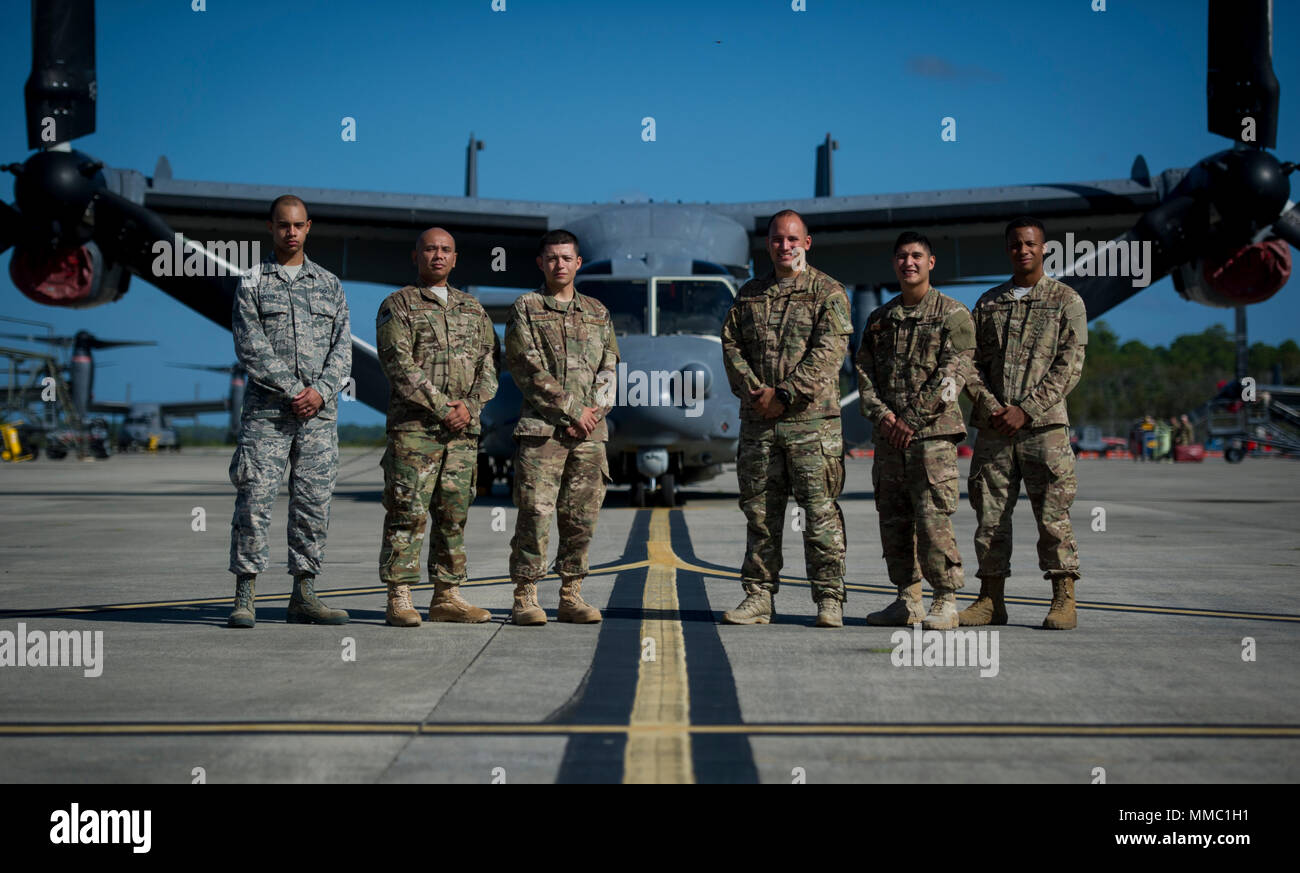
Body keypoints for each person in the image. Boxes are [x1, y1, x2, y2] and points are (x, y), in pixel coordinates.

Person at [719, 210, 852, 628]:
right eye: (778, 239)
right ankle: (759, 596)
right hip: (760, 424)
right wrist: (756, 391)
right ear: (769, 244)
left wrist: (786, 394)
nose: (785, 246)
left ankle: (829, 598)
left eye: (793, 239)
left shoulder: (828, 292)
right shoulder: (749, 294)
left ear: (807, 243)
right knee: (760, 513)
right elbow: (730, 345)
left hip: (812, 426)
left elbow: (828, 354)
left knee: (820, 513)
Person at [227, 195, 351, 628]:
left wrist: (319, 392)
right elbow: (250, 346)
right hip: (267, 415)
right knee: (254, 501)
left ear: (309, 227)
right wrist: (294, 390)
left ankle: (305, 593)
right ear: (271, 228)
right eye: (283, 225)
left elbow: (342, 350)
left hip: (318, 417)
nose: (291, 232)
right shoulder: (252, 283)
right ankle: (245, 594)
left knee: (312, 504)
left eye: (298, 225)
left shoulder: (330, 285)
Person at [962, 216, 1087, 630]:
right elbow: (969, 363)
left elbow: (1070, 365)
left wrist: (1027, 409)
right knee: (990, 517)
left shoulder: (1066, 300)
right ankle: (990, 598)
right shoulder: (988, 303)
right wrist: (992, 405)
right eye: (1016, 244)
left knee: (1053, 515)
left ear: (1045, 248)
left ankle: (1063, 597)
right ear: (1008, 249)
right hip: (995, 430)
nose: (1024, 250)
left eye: (1031, 243)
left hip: (1044, 430)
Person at [375, 227, 498, 627]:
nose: (438, 256)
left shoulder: (474, 309)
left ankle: (447, 595)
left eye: (446, 250)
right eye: (430, 249)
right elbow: (399, 366)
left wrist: (471, 406)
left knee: (453, 513)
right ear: (416, 257)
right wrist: (444, 406)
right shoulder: (398, 305)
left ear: (456, 258)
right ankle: (400, 595)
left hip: (462, 434)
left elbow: (489, 368)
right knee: (407, 512)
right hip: (415, 432)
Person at [856, 231, 975, 629]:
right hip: (890, 438)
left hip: (932, 439)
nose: (909, 262)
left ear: (931, 262)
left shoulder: (953, 314)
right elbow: (864, 374)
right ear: (894, 264)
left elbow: (953, 373)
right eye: (903, 257)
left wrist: (911, 419)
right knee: (893, 518)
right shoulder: (880, 321)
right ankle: (906, 599)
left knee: (932, 519)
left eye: (917, 256)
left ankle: (945, 599)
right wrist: (884, 417)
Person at [504, 230, 618, 626]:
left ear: (578, 263)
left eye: (566, 258)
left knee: (581, 518)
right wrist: (572, 412)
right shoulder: (526, 307)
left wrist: (593, 414)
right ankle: (526, 596)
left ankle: (571, 594)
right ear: (541, 263)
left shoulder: (598, 312)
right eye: (552, 258)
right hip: (543, 433)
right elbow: (525, 367)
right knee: (534, 515)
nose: (559, 264)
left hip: (590, 436)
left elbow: (610, 368)